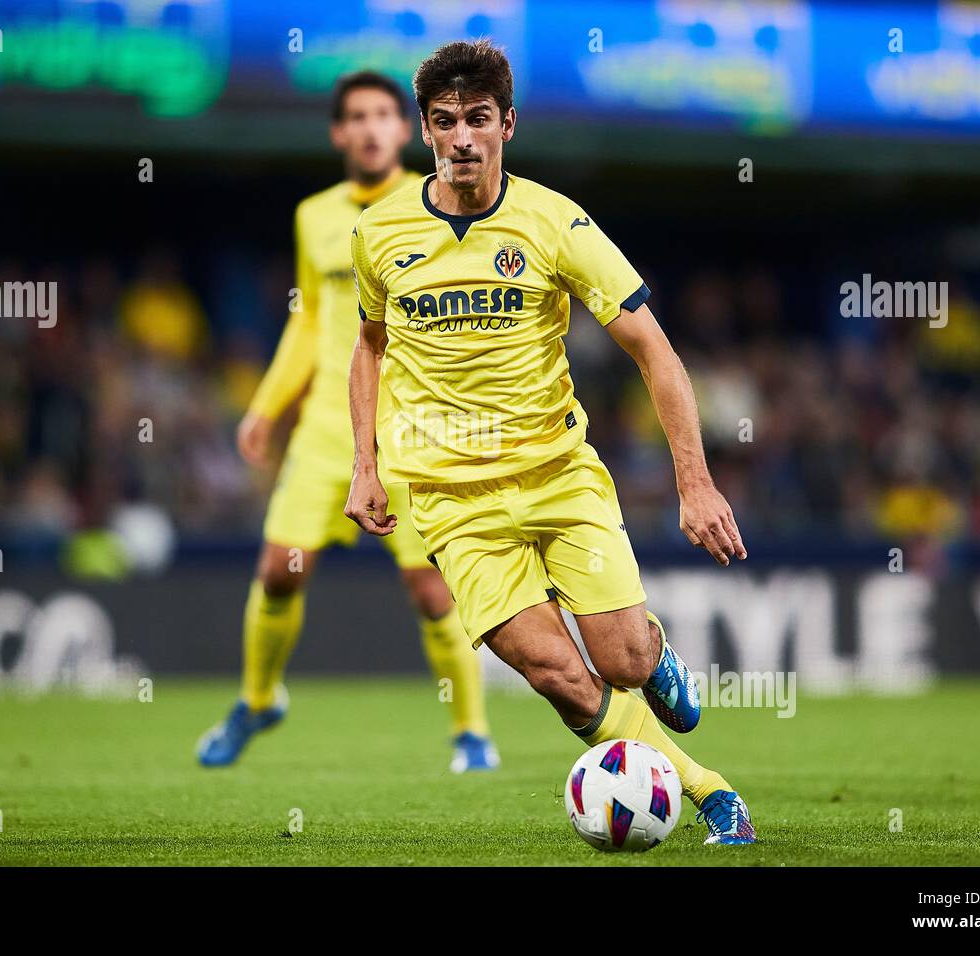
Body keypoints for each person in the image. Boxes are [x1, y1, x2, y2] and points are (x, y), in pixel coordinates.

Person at [345, 41, 754, 843]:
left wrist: (695, 483)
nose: (462, 138)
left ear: (508, 124)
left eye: (479, 120)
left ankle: (653, 653)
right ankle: (709, 792)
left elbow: (655, 351)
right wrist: (366, 464)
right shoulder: (379, 233)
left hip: (558, 478)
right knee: (559, 678)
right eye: (444, 122)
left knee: (623, 663)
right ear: (424, 132)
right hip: (453, 501)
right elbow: (369, 344)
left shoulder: (554, 222)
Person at [198, 71, 498, 773]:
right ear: (339, 133)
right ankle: (260, 698)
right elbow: (308, 326)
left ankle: (471, 732)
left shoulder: (435, 207)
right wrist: (267, 406)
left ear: (407, 130)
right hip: (330, 432)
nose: (369, 128)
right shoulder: (314, 216)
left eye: (383, 116)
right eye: (355, 116)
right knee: (279, 571)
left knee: (430, 586)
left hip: (413, 430)